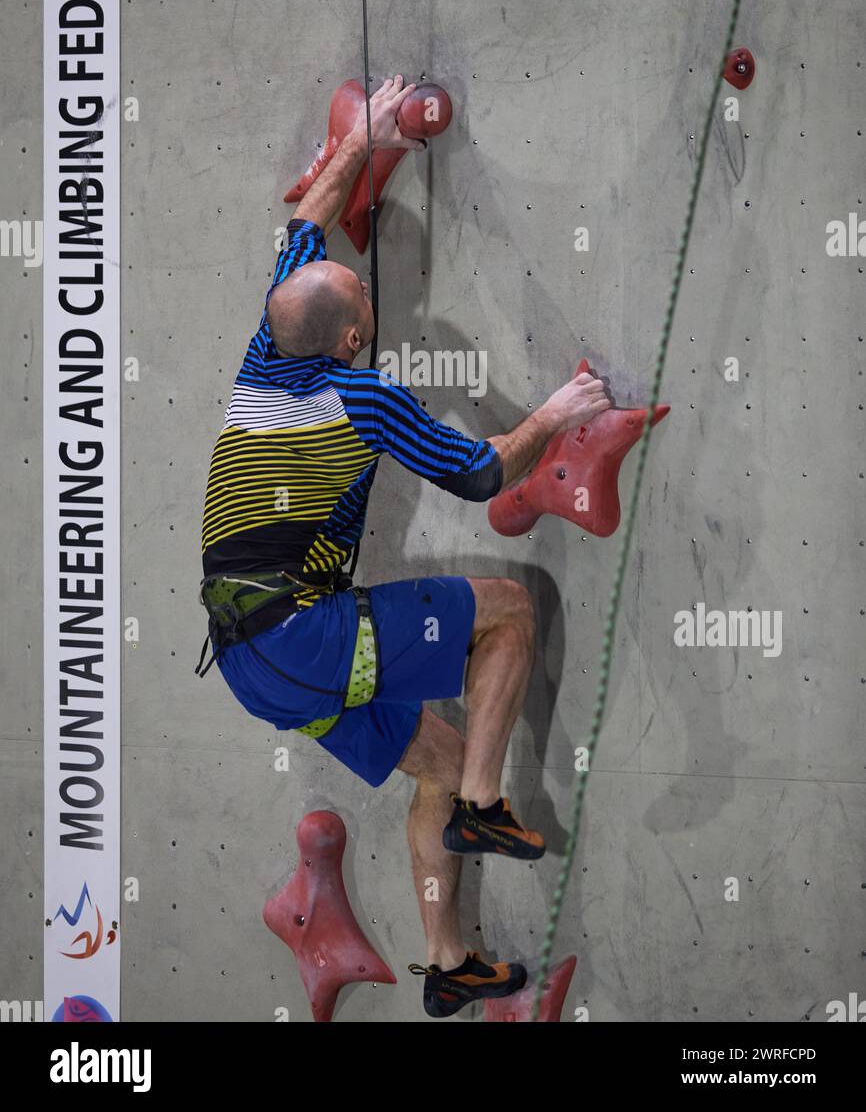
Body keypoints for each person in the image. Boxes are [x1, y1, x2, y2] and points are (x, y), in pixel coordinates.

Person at [199, 74, 611, 1017]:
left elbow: (310, 219)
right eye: (362, 302)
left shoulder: (264, 355)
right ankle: (483, 803)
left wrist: (369, 136)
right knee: (509, 612)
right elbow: (480, 474)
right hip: (301, 635)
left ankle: (449, 960)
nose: (362, 291)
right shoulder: (363, 397)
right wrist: (557, 409)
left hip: (247, 664)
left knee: (430, 758)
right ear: (350, 338)